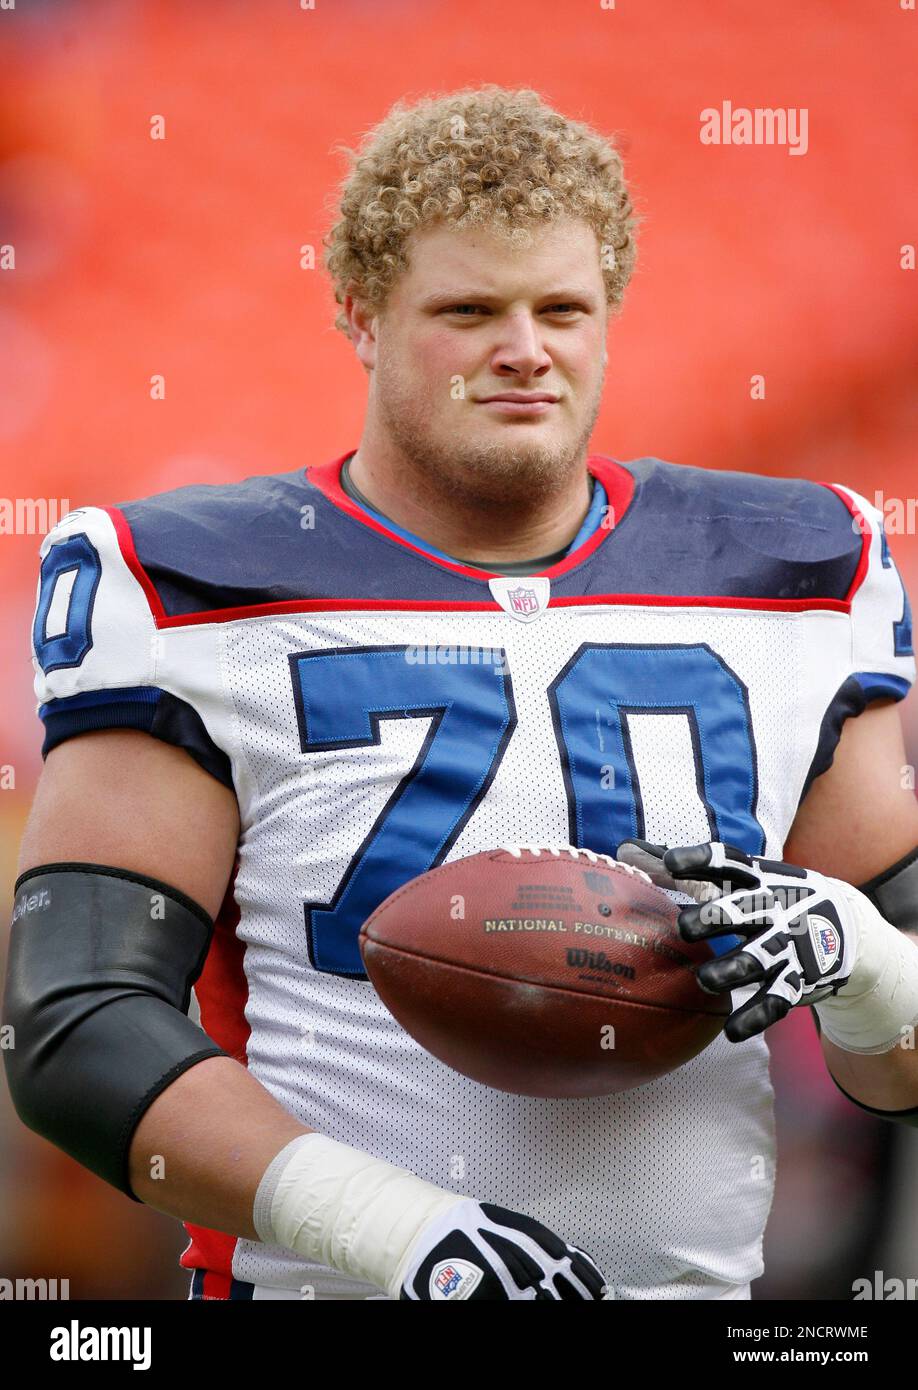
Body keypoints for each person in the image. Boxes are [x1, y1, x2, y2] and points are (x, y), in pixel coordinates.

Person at [5, 85, 918, 1302]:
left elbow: (902, 1051)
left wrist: (856, 960)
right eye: (469, 310)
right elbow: (75, 1024)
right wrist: (397, 1235)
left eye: (562, 308)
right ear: (362, 315)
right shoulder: (192, 582)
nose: (525, 349)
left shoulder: (789, 567)